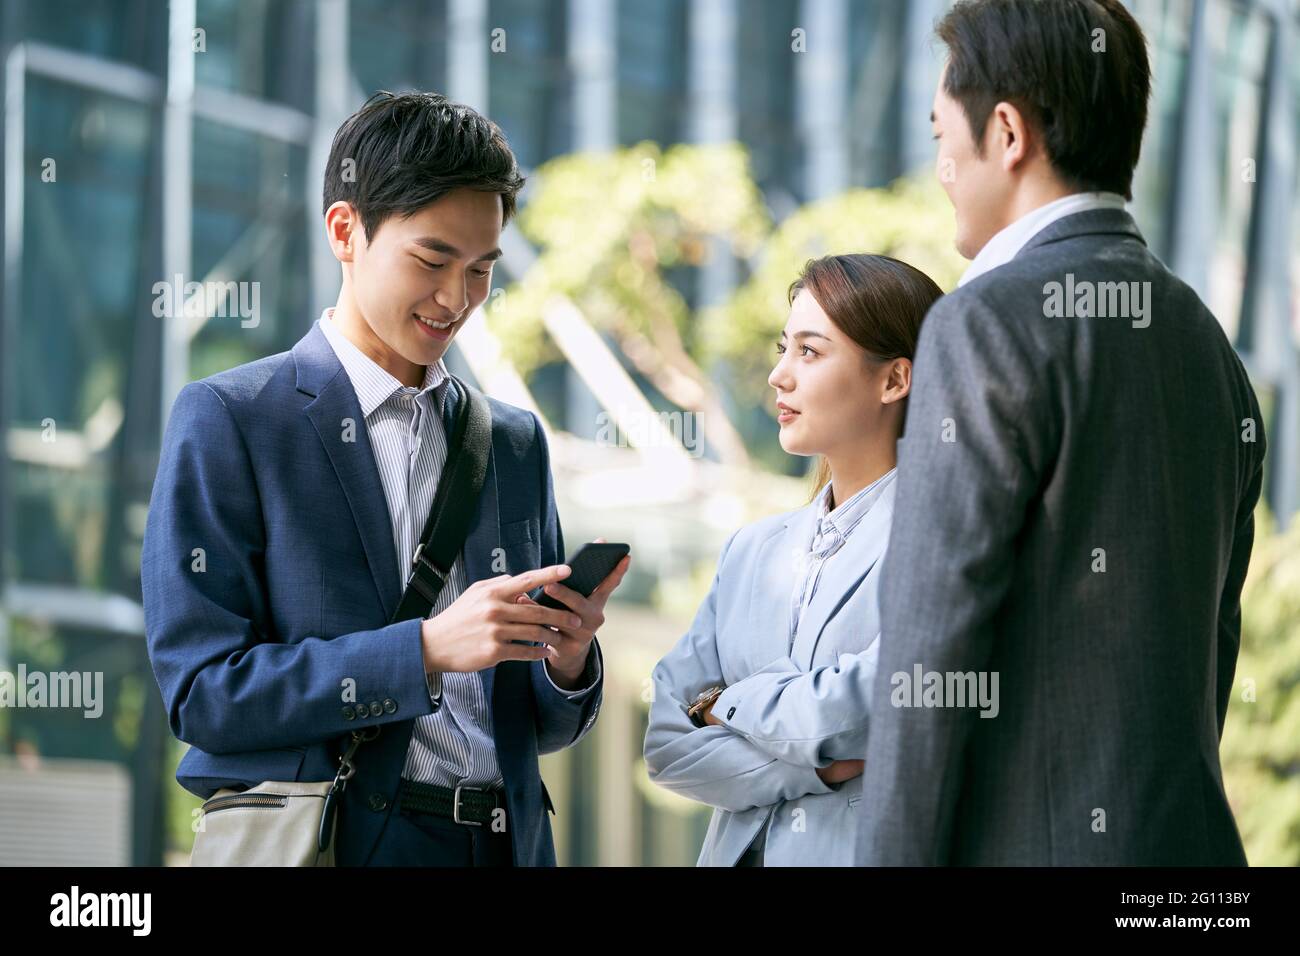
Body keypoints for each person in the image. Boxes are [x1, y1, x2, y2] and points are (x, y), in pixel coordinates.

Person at [141, 91, 630, 867]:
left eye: (480, 269)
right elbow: (205, 694)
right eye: (432, 260)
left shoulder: (512, 441)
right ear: (346, 231)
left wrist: (565, 662)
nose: (457, 299)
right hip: (338, 843)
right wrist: (428, 649)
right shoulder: (233, 419)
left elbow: (537, 727)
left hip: (507, 845)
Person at [856, 0, 1264, 865]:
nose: (939, 166)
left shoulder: (985, 324)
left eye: (941, 134)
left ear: (1005, 132)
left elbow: (931, 659)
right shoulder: (1209, 347)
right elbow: (1209, 655)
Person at [644, 254, 943, 865]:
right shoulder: (752, 550)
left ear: (894, 380)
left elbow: (870, 710)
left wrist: (724, 703)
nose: (779, 376)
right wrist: (817, 772)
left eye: (810, 351)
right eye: (785, 348)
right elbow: (669, 746)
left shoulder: (946, 540)